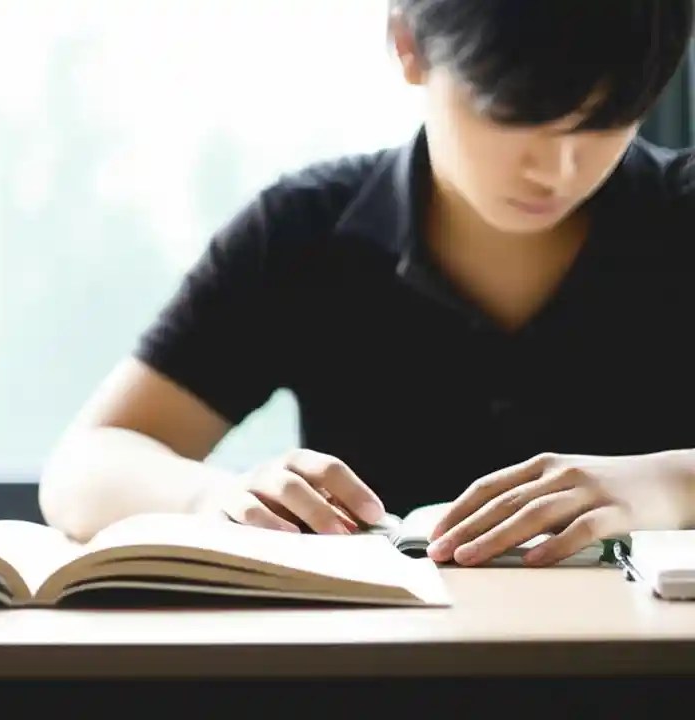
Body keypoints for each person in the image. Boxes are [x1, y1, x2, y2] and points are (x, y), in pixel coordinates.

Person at [38, 0, 695, 567]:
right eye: (512, 112)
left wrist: (673, 483)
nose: (556, 168)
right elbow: (83, 467)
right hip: (375, 678)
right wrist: (211, 498)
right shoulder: (306, 230)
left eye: (605, 119)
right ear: (407, 44)